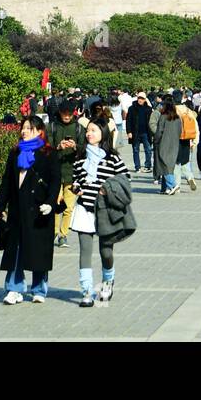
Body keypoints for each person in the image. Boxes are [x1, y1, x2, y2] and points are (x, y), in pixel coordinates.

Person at [0, 115, 60, 304]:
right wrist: (0, 207)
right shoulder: (15, 153)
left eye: (29, 128)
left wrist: (50, 202)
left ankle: (39, 289)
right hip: (17, 209)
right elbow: (7, 181)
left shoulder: (49, 153)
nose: (24, 131)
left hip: (39, 209)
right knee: (14, 250)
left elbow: (56, 181)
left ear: (39, 132)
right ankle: (14, 289)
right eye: (23, 128)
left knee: (38, 250)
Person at [69, 121, 130, 306]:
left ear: (103, 133)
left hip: (105, 210)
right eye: (88, 131)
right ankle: (86, 291)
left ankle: (107, 282)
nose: (89, 134)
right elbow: (76, 180)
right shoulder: (80, 158)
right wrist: (76, 188)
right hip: (84, 209)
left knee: (106, 251)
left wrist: (109, 189)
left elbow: (125, 179)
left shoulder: (112, 159)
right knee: (85, 251)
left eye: (93, 130)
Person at [50, 99, 85, 248]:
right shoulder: (52, 127)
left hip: (72, 173)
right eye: (64, 113)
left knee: (68, 207)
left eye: (69, 113)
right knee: (55, 206)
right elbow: (45, 147)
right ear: (60, 112)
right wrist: (57, 147)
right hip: (55, 172)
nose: (67, 116)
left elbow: (85, 149)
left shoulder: (79, 128)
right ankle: (51, 234)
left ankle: (63, 235)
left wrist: (75, 146)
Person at [152, 100, 183, 194]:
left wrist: (155, 140)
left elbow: (159, 131)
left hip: (163, 144)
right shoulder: (177, 118)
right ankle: (166, 188)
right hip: (174, 144)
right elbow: (180, 131)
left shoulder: (163, 117)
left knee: (164, 165)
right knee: (170, 165)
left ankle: (173, 185)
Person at [126, 91, 154, 173]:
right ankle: (137, 167)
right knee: (135, 150)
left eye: (142, 98)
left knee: (148, 149)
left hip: (146, 132)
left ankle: (148, 166)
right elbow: (128, 120)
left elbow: (152, 122)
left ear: (145, 99)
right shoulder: (132, 108)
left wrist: (152, 133)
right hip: (135, 132)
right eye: (139, 98)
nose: (140, 100)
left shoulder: (148, 109)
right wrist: (129, 132)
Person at [176, 101, 199, 191]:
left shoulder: (173, 110)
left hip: (176, 139)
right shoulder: (188, 110)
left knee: (176, 164)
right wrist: (195, 141)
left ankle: (177, 185)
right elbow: (195, 126)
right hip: (187, 139)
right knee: (185, 161)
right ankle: (190, 177)